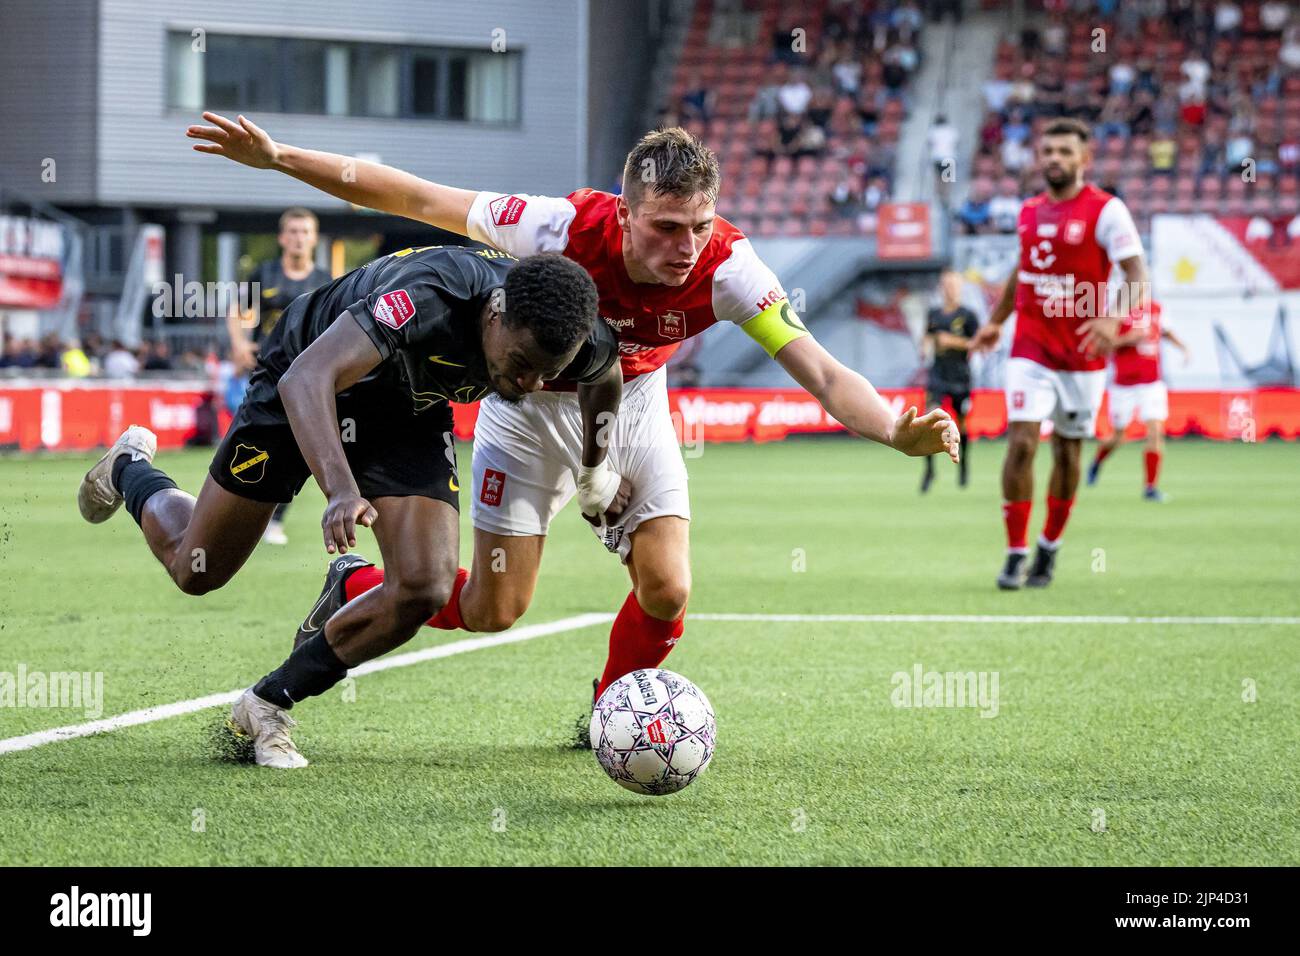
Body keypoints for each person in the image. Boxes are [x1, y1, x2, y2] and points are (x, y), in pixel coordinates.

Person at [187, 112, 960, 745]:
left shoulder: (731, 270)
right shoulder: (556, 228)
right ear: (624, 215)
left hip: (632, 404)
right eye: (665, 228)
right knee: (495, 611)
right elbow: (415, 197)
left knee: (668, 585)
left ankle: (611, 716)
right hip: (524, 408)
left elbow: (822, 372)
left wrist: (895, 429)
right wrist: (281, 157)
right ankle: (357, 584)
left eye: (698, 225)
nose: (684, 248)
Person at [77, 248, 621, 767]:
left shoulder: (577, 334)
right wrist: (340, 489)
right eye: (521, 363)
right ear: (496, 311)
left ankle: (267, 702)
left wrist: (595, 471)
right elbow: (308, 379)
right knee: (195, 568)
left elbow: (606, 376)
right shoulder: (429, 295)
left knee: (425, 585)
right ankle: (129, 468)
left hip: (404, 409)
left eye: (546, 374)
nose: (528, 384)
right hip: (307, 378)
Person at [970, 118, 1148, 590]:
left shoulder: (1108, 211)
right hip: (1031, 345)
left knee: (1068, 453)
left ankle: (1048, 547)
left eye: (1065, 152)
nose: (1054, 159)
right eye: (1048, 150)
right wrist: (996, 322)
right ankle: (1014, 552)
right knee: (1023, 441)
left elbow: (1137, 276)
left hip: (1083, 352)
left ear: (1085, 160)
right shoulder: (1028, 211)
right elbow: (1023, 270)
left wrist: (1112, 318)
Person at [226, 207, 332, 545]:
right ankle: (230, 512)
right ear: (282, 238)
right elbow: (239, 310)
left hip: (303, 378)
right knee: (247, 442)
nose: (299, 238)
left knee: (296, 448)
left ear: (313, 238)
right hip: (263, 371)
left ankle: (275, 518)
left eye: (305, 232)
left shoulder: (324, 281)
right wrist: (240, 343)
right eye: (293, 232)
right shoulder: (264, 273)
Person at [1088, 300, 1189, 501]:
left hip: (1151, 383)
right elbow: (1102, 345)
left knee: (1155, 432)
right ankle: (1097, 462)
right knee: (1118, 436)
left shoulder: (1157, 309)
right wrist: (1127, 339)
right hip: (1124, 385)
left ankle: (1150, 487)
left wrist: (1183, 348)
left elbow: (1166, 331)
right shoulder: (1118, 310)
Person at [921, 269, 979, 493]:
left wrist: (951, 341)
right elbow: (927, 336)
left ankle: (963, 465)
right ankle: (929, 470)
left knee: (962, 422)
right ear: (941, 288)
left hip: (960, 376)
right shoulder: (934, 314)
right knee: (930, 418)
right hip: (938, 373)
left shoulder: (968, 315)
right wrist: (925, 346)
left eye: (953, 285)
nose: (950, 289)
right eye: (946, 285)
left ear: (960, 287)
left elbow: (976, 344)